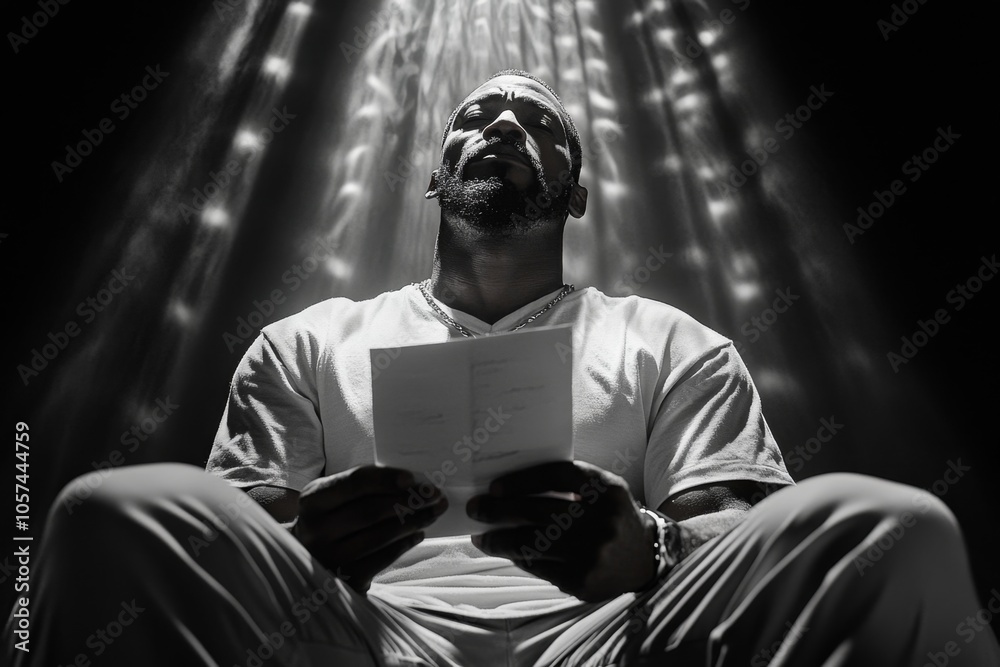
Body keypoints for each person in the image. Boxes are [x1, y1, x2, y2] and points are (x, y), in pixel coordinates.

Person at [6, 70, 999, 667]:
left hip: (610, 640)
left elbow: (743, 530)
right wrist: (307, 542)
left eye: (541, 126)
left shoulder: (669, 339)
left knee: (895, 528)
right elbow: (233, 535)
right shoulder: (307, 341)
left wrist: (651, 549)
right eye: (479, 116)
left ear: (576, 194)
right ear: (437, 174)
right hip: (362, 637)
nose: (506, 129)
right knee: (104, 512)